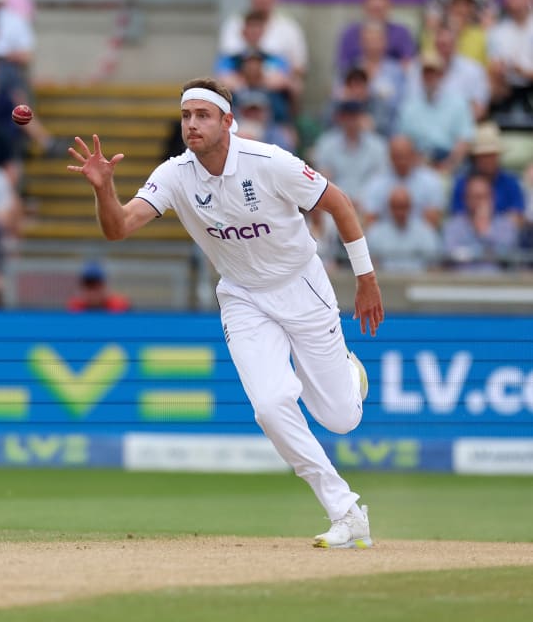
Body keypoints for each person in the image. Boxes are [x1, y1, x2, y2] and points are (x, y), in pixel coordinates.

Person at [68, 77, 382, 548]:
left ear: (227, 122)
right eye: (186, 116)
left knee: (341, 419)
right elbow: (119, 227)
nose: (192, 125)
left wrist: (366, 278)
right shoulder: (175, 174)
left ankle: (347, 373)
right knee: (270, 405)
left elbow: (337, 201)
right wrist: (104, 189)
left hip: (301, 284)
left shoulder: (269, 161)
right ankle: (344, 510)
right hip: (242, 297)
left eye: (203, 115)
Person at [397, 51, 474, 174]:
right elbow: (404, 142)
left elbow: (464, 141)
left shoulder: (458, 103)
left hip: (451, 162)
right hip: (419, 164)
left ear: (441, 75)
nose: (429, 77)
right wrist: (420, 164)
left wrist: (448, 166)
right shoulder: (409, 107)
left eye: (433, 73)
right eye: (426, 73)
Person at [219, 0, 307, 78]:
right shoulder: (234, 23)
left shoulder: (289, 27)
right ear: (243, 32)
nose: (263, 0)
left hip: (277, 87)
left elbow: (299, 67)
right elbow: (225, 65)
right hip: (238, 86)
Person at [311, 100, 388, 205]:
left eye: (355, 116)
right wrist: (343, 201)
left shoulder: (377, 146)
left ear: (362, 118)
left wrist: (361, 199)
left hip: (368, 203)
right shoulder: (326, 144)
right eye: (347, 116)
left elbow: (379, 180)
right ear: (340, 118)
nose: (351, 121)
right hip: (335, 204)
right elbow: (323, 180)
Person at [362, 135, 446, 228]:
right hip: (385, 239)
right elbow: (370, 221)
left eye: (405, 156)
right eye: (397, 156)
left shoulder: (431, 181)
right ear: (390, 157)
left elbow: (432, 222)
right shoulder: (376, 184)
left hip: (420, 239)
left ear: (414, 155)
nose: (401, 161)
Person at [449, 123, 526, 224]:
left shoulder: (511, 182)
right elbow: (457, 218)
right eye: (484, 156)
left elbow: (518, 218)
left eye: (492, 155)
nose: (488, 160)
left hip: (505, 237)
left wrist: (490, 224)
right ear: (475, 158)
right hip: (468, 237)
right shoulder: (462, 183)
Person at [443, 173, 520, 271]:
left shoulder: (505, 225)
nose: (479, 202)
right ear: (466, 199)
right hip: (462, 282)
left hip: (498, 283)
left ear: (492, 198)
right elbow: (450, 255)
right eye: (474, 197)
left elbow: (507, 257)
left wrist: (485, 231)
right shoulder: (454, 226)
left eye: (483, 196)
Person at [336, 0, 416, 73]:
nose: (376, 15)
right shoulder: (350, 33)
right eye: (373, 9)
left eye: (380, 10)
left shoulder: (401, 33)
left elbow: (408, 63)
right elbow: (342, 66)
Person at [366, 187, 442, 274]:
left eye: (403, 207)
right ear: (389, 207)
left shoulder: (426, 232)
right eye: (396, 207)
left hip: (419, 283)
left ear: (411, 206)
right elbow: (371, 266)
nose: (400, 212)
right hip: (385, 283)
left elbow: (433, 266)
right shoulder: (375, 233)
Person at [65, 262, 130, 312]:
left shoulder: (119, 307)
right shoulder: (75, 308)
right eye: (89, 286)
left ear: (104, 286)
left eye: (97, 285)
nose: (93, 292)